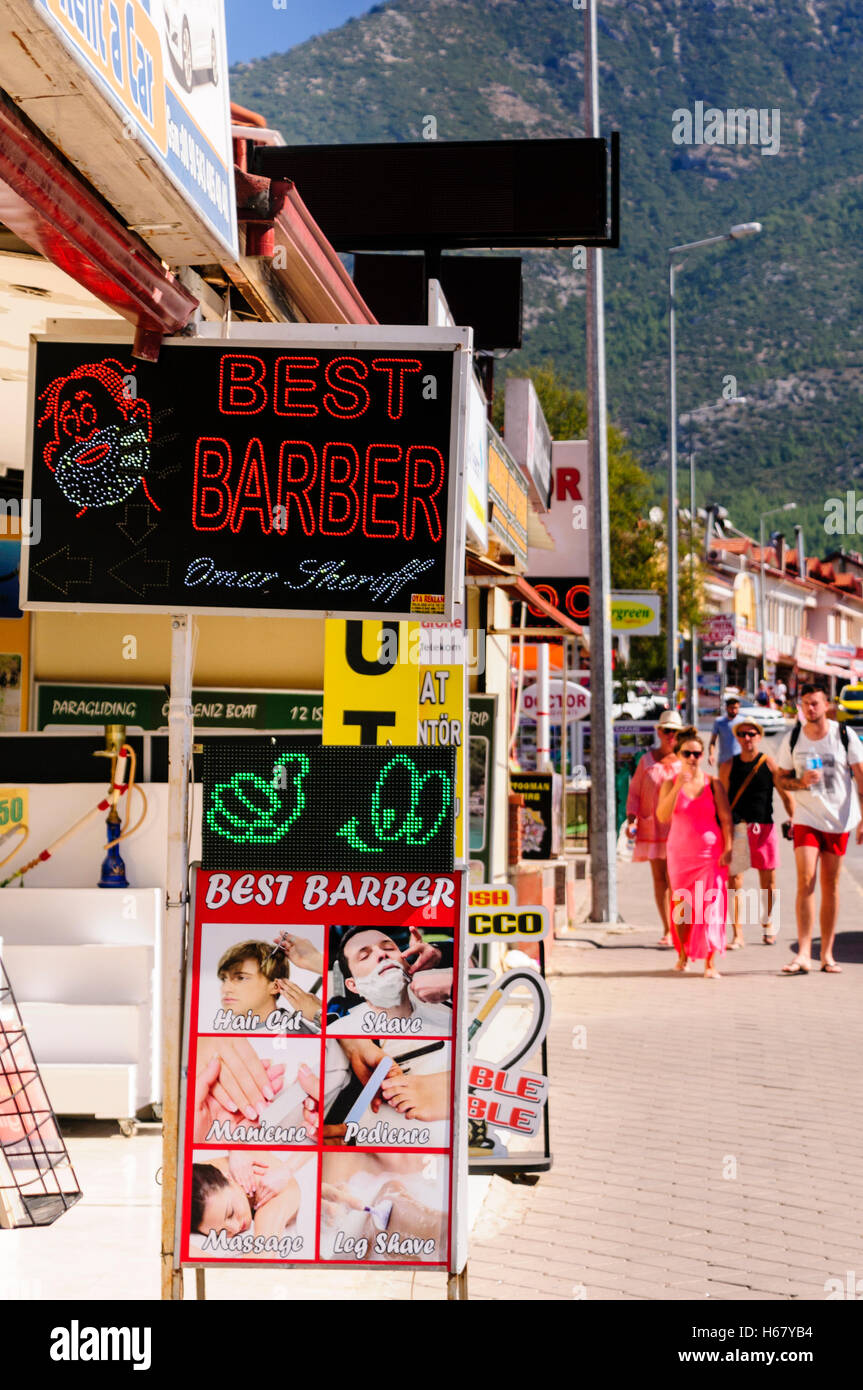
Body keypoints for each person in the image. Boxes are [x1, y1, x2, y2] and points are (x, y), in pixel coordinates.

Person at [775, 684, 863, 974]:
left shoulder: (844, 736)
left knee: (831, 884)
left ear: (827, 705)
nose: (810, 709)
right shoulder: (794, 738)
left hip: (838, 819)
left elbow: (861, 779)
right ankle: (802, 953)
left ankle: (826, 953)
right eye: (805, 704)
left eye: (815, 703)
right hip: (806, 818)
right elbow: (781, 778)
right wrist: (800, 784)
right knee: (806, 879)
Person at [657, 727, 733, 979]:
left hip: (710, 853)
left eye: (697, 754)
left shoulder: (714, 784)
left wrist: (729, 847)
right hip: (680, 854)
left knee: (711, 905)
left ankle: (710, 962)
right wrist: (678, 785)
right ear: (678, 755)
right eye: (687, 753)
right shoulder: (669, 783)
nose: (692, 758)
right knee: (683, 906)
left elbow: (725, 818)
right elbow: (662, 815)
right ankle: (683, 954)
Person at [718, 717, 794, 947]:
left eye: (751, 734)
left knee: (768, 882)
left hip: (765, 828)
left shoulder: (769, 763)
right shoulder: (728, 766)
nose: (747, 738)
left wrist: (793, 819)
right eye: (742, 734)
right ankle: (737, 934)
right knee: (735, 882)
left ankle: (769, 926)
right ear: (737, 738)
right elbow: (721, 800)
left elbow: (784, 794)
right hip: (739, 828)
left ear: (759, 737)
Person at [625, 709, 684, 947]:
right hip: (653, 827)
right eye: (666, 730)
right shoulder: (647, 761)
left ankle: (680, 928)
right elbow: (635, 792)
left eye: (675, 731)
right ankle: (667, 929)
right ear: (659, 732)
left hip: (679, 829)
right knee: (659, 879)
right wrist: (632, 819)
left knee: (676, 880)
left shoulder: (686, 760)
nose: (670, 735)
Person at [328, 928, 453, 1036]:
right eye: (364, 956)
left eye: (389, 948)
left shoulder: (449, 1025)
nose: (382, 954)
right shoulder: (338, 1035)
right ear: (353, 985)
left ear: (406, 964)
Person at [215, 939, 322, 1032]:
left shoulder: (299, 1034)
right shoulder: (223, 1034)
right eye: (224, 979)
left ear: (275, 986)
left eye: (241, 978)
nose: (225, 989)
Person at [709, 694, 741, 768]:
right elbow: (712, 741)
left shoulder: (742, 722)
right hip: (724, 761)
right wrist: (711, 755)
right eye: (731, 708)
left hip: (740, 761)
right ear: (726, 708)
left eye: (736, 708)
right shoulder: (719, 721)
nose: (734, 710)